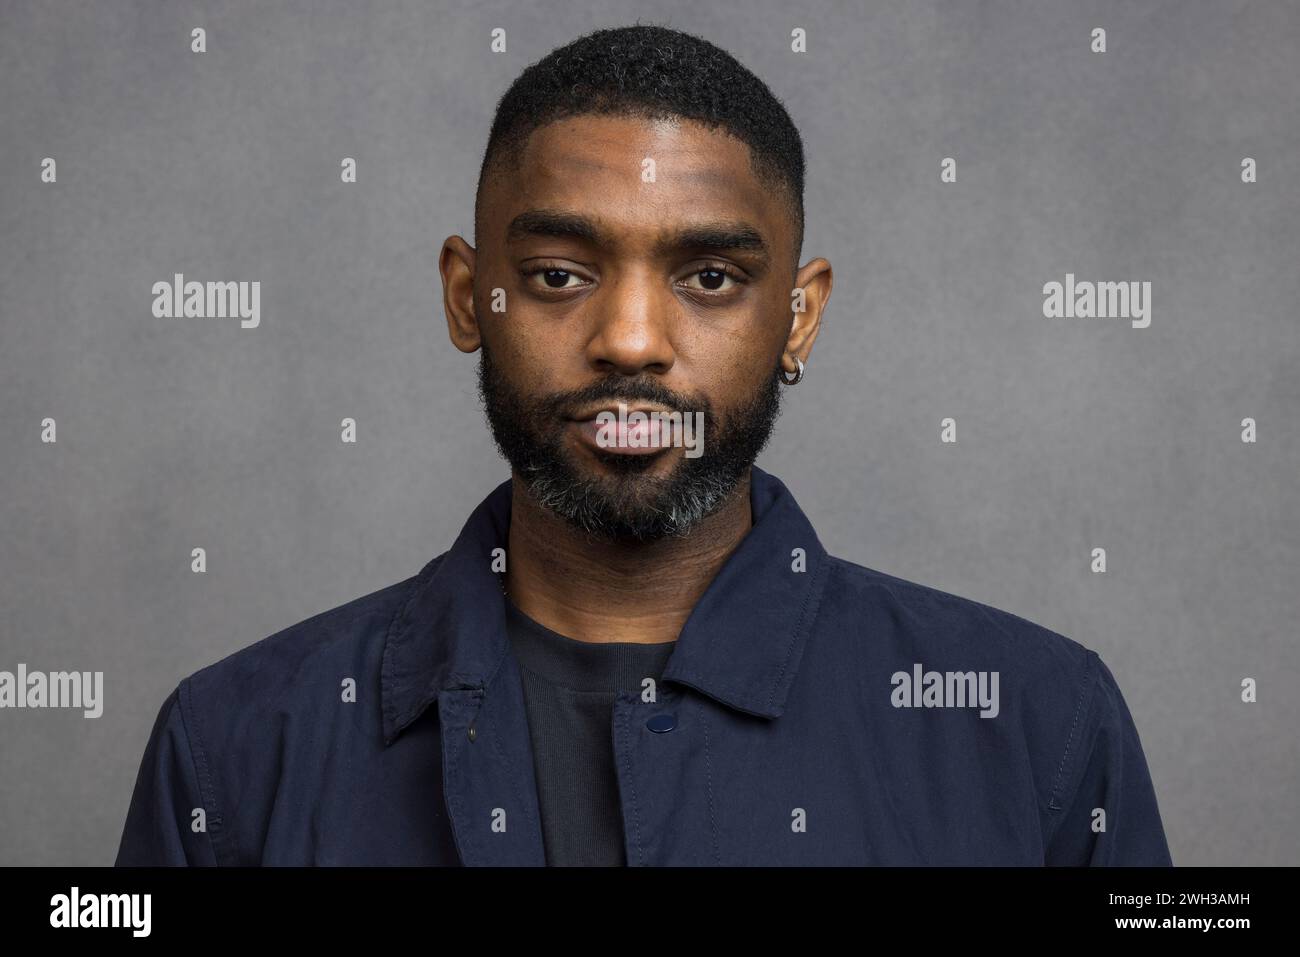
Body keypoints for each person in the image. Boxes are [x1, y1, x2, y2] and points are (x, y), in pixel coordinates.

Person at [115, 24, 1172, 866]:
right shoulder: (235, 748)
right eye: (559, 275)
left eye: (709, 278)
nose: (628, 340)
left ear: (797, 319)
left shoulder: (1035, 724)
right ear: (465, 295)